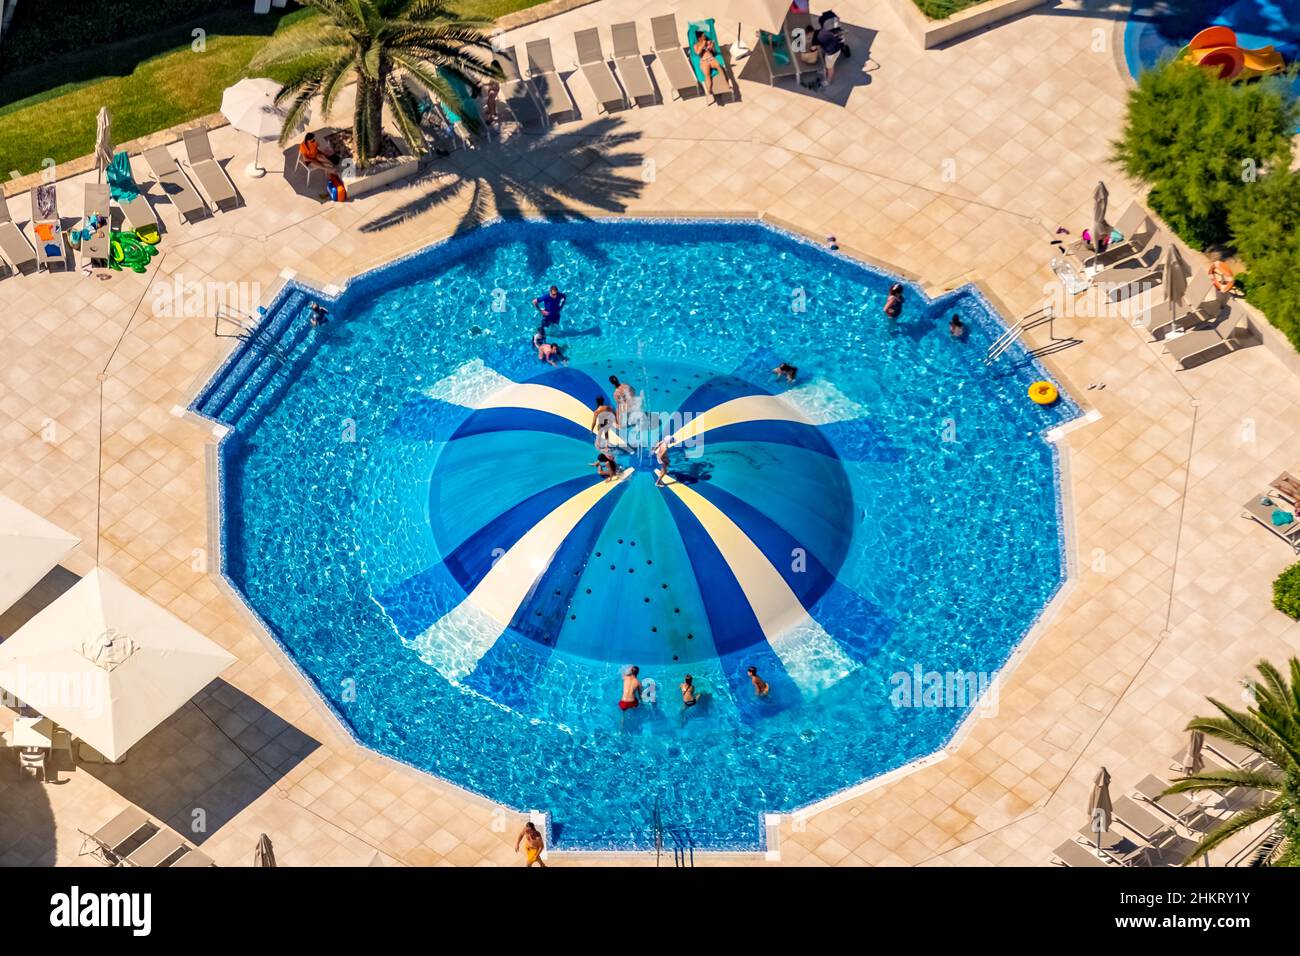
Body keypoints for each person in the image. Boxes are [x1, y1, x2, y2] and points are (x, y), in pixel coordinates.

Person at [815, 12, 849, 86]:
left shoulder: (821, 36)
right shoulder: (826, 32)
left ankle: (828, 81)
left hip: (832, 53)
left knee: (830, 67)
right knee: (826, 61)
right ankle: (824, 69)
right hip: (833, 49)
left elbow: (817, 46)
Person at [693, 30, 725, 101]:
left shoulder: (708, 42)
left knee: (719, 66)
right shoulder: (696, 45)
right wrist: (703, 45)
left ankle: (725, 83)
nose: (705, 36)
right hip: (704, 61)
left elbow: (714, 52)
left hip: (711, 58)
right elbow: (698, 53)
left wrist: (712, 46)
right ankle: (709, 89)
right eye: (703, 35)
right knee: (707, 75)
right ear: (699, 38)